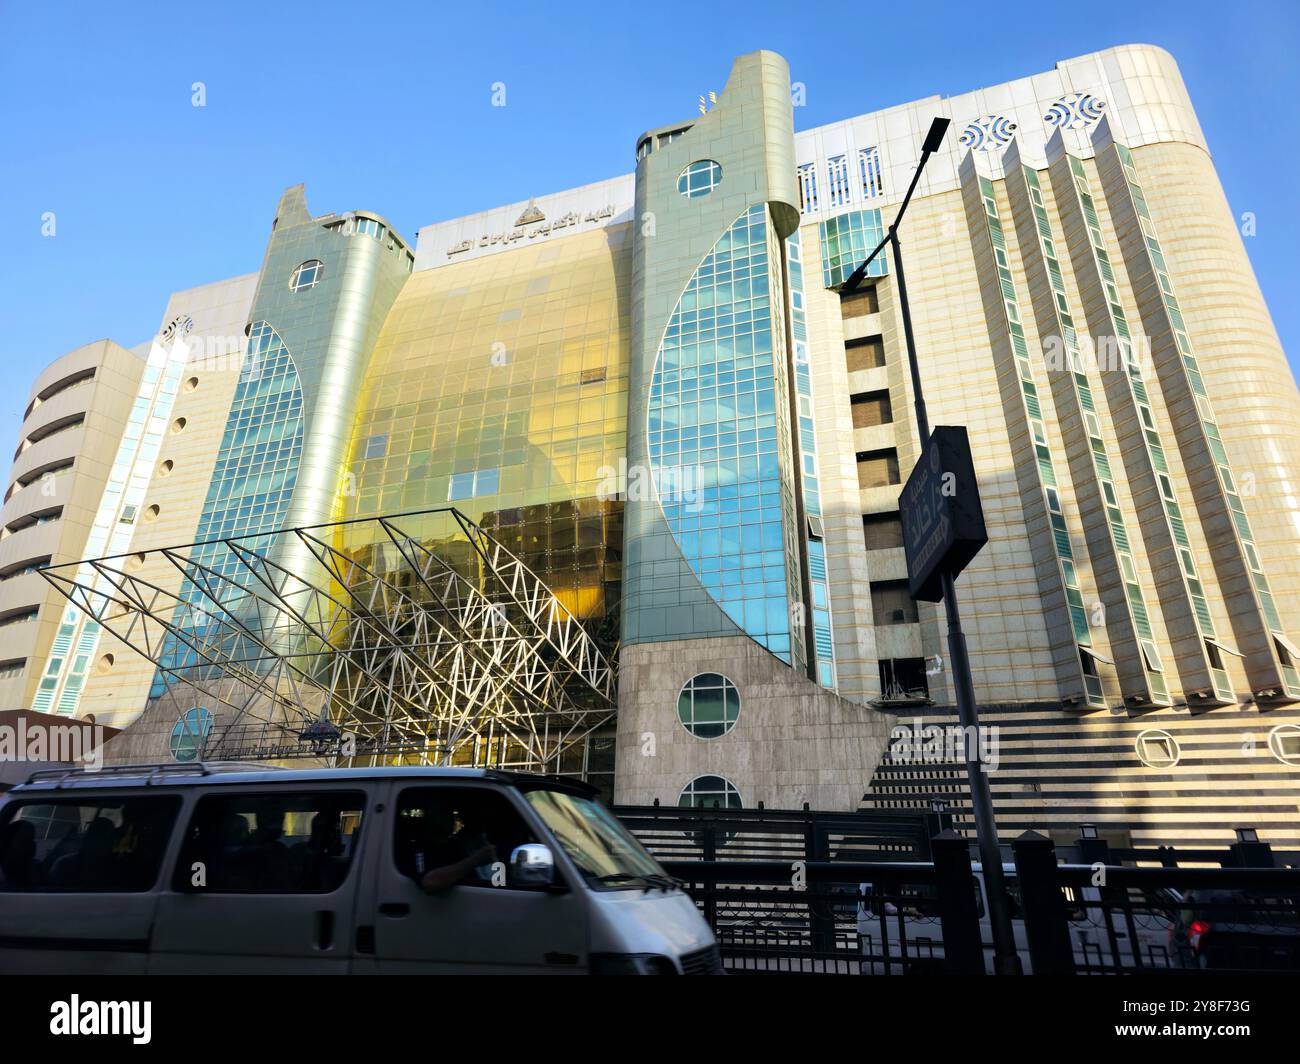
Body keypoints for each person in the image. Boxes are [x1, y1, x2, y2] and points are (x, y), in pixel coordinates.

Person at [410, 803, 495, 892]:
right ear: (430, 816)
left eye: (453, 813)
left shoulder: (457, 844)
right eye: (444, 812)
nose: (451, 817)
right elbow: (429, 882)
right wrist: (476, 860)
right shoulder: (419, 847)